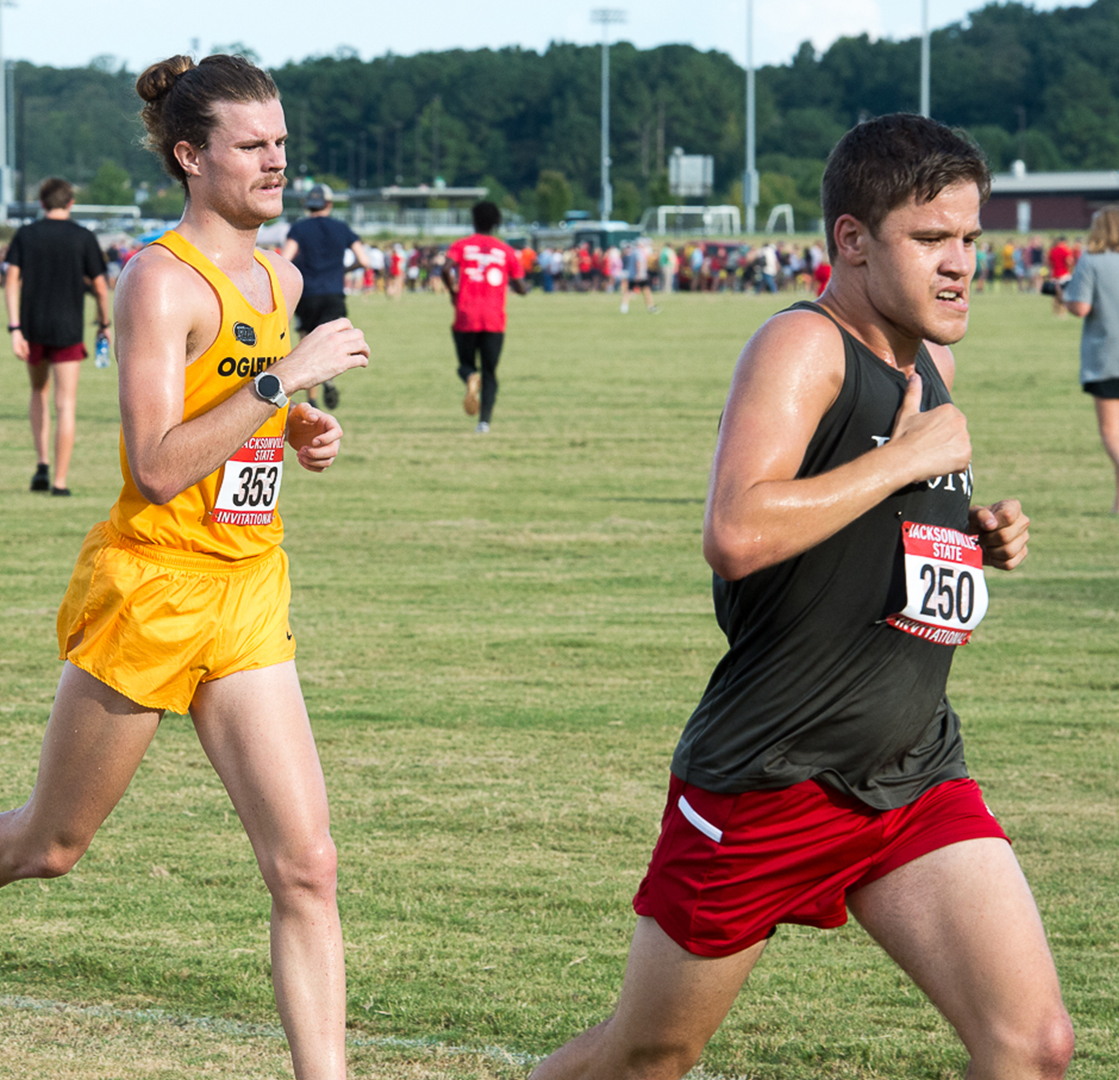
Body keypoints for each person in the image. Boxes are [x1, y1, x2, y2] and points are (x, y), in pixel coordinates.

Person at [0, 53, 370, 1078]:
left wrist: (298, 426)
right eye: (252, 145)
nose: (276, 163)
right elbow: (161, 465)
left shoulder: (282, 273)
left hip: (250, 587)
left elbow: (233, 410)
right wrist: (283, 377)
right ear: (188, 154)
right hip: (156, 584)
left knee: (308, 866)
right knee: (51, 845)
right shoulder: (158, 282)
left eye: (282, 143)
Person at [529, 114, 1071, 1080]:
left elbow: (874, 533)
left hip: (911, 768)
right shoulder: (803, 347)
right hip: (772, 777)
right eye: (930, 240)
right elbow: (738, 532)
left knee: (1033, 1046)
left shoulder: (931, 366)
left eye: (971, 240)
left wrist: (974, 533)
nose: (960, 266)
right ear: (852, 241)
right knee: (650, 1053)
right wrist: (909, 457)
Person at [4, 177, 112, 497]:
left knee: (38, 391)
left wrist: (15, 328)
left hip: (32, 326)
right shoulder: (83, 237)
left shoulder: (26, 234)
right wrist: (103, 322)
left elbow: (11, 281)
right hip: (68, 330)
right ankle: (61, 482)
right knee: (66, 405)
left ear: (41, 203)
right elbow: (102, 286)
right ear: (70, 203)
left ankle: (42, 464)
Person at [1060, 206, 1119, 517]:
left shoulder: (1093, 260)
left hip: (1111, 354)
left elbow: (1081, 308)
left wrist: (1064, 295)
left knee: (1111, 432)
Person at [440, 200, 526, 434]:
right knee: (490, 373)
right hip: (493, 319)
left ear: (473, 220)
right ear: (497, 222)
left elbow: (446, 269)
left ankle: (470, 377)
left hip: (465, 314)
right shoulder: (505, 250)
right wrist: (522, 288)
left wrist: (453, 290)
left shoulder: (462, 246)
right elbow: (520, 286)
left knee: (465, 366)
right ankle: (484, 422)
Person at [281, 183, 369, 410]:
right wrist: (343, 271)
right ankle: (328, 378)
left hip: (307, 295)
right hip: (333, 293)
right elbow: (364, 260)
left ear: (308, 205)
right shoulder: (342, 228)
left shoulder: (299, 229)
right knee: (331, 342)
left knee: (307, 344)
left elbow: (285, 259)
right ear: (329, 204)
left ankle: (312, 400)